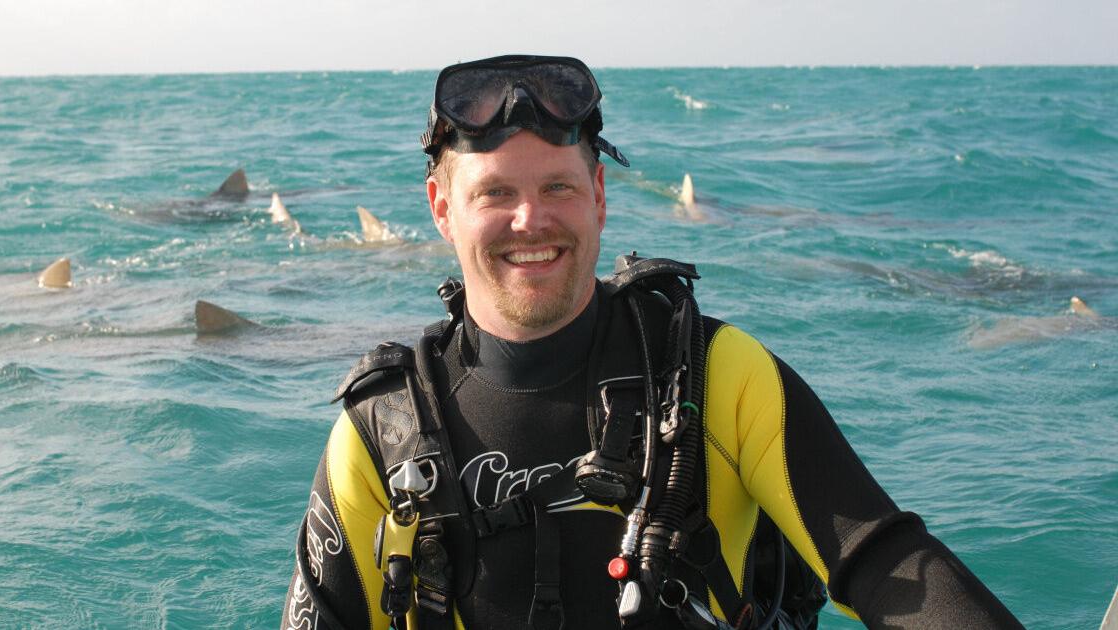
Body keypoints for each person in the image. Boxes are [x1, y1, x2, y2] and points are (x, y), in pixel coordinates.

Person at [280, 55, 1022, 630]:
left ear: (599, 197)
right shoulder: (379, 436)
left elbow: (886, 563)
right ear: (443, 209)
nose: (531, 219)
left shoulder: (717, 377)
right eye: (495, 193)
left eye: (559, 187)